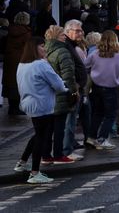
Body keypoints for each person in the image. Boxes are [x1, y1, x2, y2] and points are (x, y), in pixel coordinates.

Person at [14, 36, 68, 184]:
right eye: (42, 46)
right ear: (34, 48)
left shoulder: (22, 65)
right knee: (41, 138)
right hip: (43, 105)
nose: (45, 49)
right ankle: (34, 173)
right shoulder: (41, 65)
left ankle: (22, 163)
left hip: (29, 104)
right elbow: (58, 85)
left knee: (39, 134)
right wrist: (66, 88)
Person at [85, 30, 119, 150]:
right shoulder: (118, 54)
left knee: (98, 113)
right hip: (111, 88)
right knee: (110, 115)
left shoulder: (95, 53)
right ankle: (102, 139)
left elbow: (85, 65)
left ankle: (91, 138)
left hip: (96, 87)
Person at [44, 25, 78, 164]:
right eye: (63, 35)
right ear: (57, 36)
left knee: (48, 128)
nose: (65, 37)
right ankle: (58, 155)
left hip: (47, 94)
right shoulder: (62, 51)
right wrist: (73, 92)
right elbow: (68, 75)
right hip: (61, 93)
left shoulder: (44, 50)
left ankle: (46, 156)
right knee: (59, 127)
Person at [62, 20, 89, 161]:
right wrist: (75, 89)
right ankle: (67, 151)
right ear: (68, 31)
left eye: (81, 30)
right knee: (69, 122)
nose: (81, 33)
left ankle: (67, 149)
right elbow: (68, 71)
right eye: (77, 31)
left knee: (71, 121)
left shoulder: (71, 45)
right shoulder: (67, 47)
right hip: (72, 90)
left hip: (76, 88)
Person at [3, 12, 32, 115]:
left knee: (10, 82)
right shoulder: (26, 32)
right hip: (20, 59)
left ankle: (12, 107)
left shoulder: (9, 30)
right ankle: (16, 108)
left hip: (9, 59)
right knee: (19, 82)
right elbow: (28, 48)